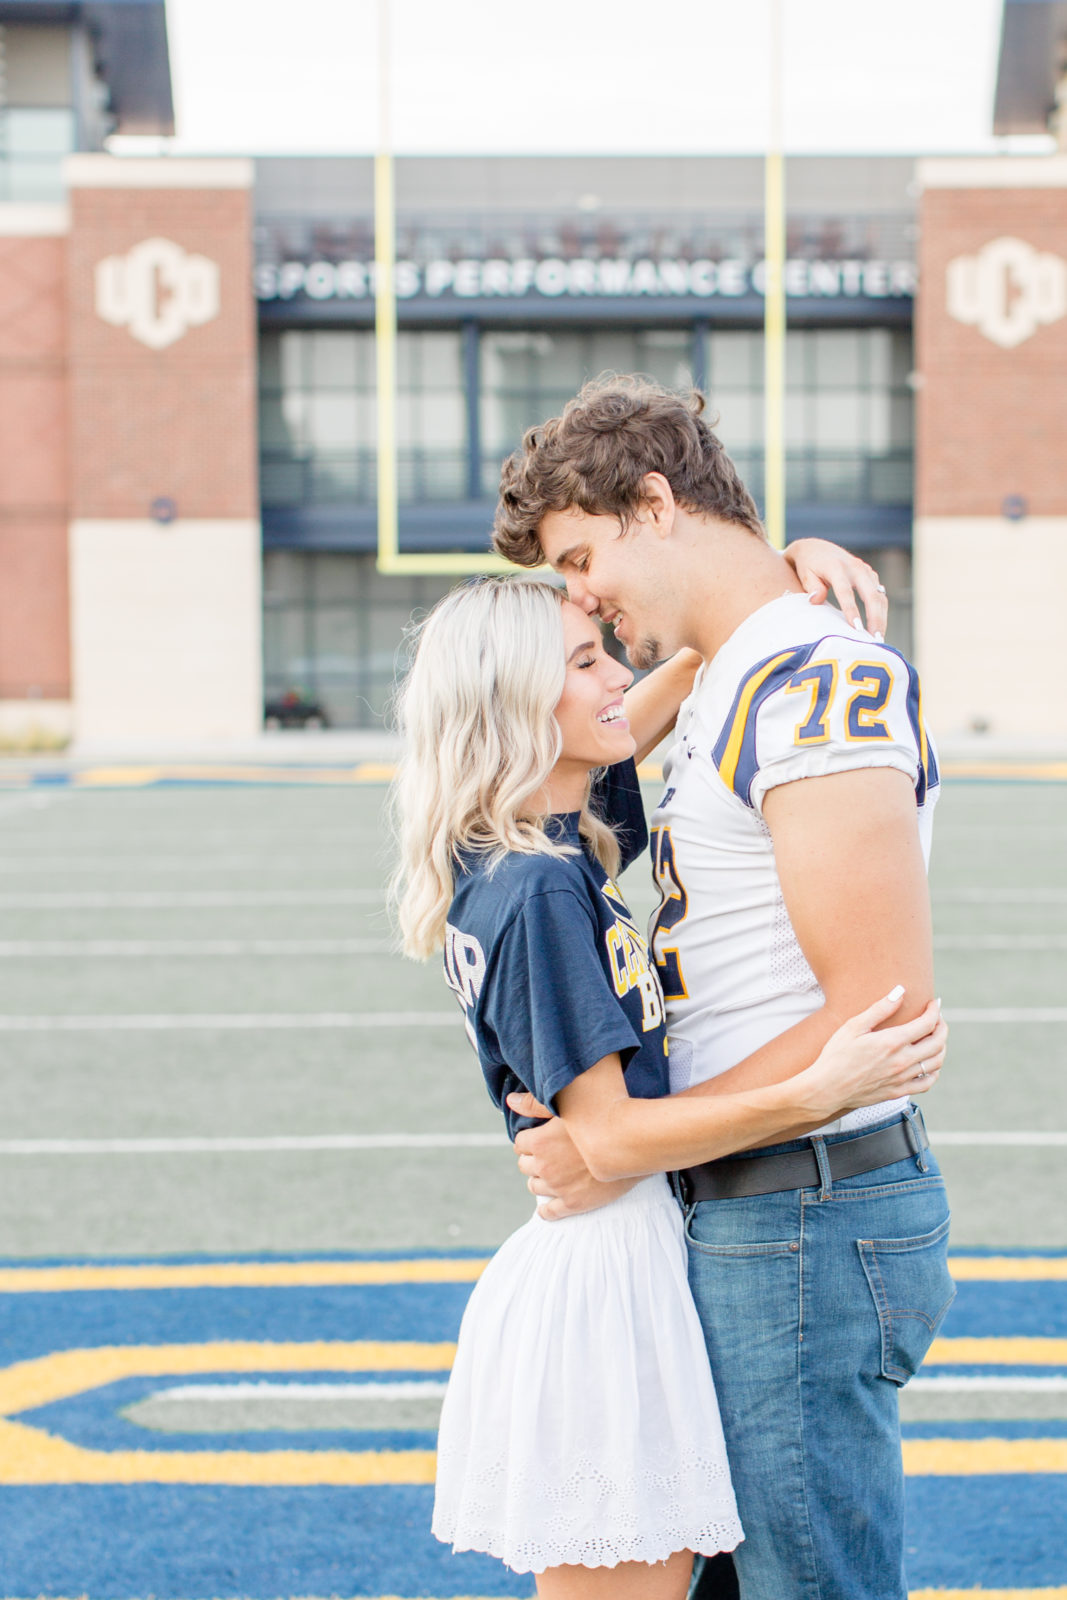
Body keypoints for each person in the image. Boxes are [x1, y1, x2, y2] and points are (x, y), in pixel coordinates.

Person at [390, 572, 946, 1600]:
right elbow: (603, 1141)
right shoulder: (539, 885)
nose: (619, 677)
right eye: (585, 661)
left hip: (622, 1253)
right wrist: (818, 1089)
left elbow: (620, 724)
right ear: (515, 700)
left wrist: (767, 593)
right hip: (604, 1275)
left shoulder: (535, 835)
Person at [492, 376, 955, 1600]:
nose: (581, 596)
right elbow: (549, 785)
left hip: (802, 1203)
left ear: (654, 502)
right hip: (743, 1197)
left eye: (586, 558)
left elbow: (877, 1006)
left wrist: (625, 1145)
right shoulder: (736, 667)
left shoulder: (808, 677)